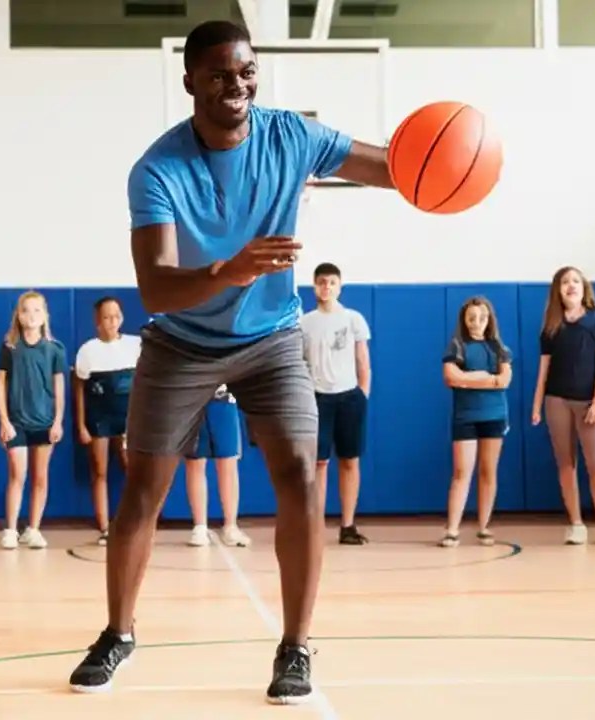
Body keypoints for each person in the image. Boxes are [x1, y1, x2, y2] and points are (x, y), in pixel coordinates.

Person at [66, 19, 396, 704]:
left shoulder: (290, 135)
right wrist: (231, 269)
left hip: (272, 340)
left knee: (301, 478)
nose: (236, 84)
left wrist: (447, 167)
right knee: (142, 493)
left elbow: (390, 166)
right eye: (219, 74)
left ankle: (297, 647)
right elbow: (155, 286)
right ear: (190, 81)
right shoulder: (157, 170)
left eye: (245, 71)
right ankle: (118, 633)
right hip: (180, 340)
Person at [530, 266, 595, 546]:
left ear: (584, 287)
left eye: (575, 281)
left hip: (587, 403)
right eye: (564, 282)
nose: (570, 285)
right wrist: (537, 405)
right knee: (566, 463)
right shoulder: (550, 328)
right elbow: (543, 370)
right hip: (556, 401)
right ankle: (575, 523)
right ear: (557, 290)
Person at [300, 262, 371, 545]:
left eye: (331, 282)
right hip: (317, 398)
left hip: (349, 397)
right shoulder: (304, 322)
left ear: (339, 286)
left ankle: (348, 525)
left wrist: (362, 392)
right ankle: (315, 524)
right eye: (321, 282)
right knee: (319, 463)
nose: (326, 287)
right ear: (314, 286)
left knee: (350, 461)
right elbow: (299, 361)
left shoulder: (352, 319)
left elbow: (363, 359)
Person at [0, 291, 66, 550]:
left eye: (37, 310)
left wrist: (58, 421)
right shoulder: (10, 347)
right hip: (17, 422)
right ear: (18, 314)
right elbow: (0, 385)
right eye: (26, 310)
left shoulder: (55, 349)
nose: (31, 315)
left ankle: (33, 528)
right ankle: (11, 529)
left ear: (45, 315)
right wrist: (4, 420)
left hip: (45, 422)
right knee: (17, 474)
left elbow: (59, 388)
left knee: (40, 477)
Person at [440, 296, 510, 547]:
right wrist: (485, 378)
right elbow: (451, 377)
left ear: (489, 319)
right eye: (471, 318)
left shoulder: (498, 347)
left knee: (488, 471)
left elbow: (504, 380)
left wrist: (470, 378)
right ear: (464, 320)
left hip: (495, 415)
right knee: (462, 472)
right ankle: (452, 529)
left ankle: (483, 527)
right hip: (466, 417)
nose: (476, 322)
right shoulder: (457, 346)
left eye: (481, 318)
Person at [73, 297, 140, 546]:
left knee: (131, 471)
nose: (112, 321)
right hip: (99, 419)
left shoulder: (136, 345)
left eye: (116, 316)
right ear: (97, 321)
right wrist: (81, 425)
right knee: (99, 471)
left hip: (128, 419)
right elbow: (78, 389)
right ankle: (104, 528)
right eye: (106, 317)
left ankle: (133, 525)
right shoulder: (88, 350)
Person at [183, 385, 252, 547]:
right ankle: (199, 526)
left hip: (224, 398)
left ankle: (230, 526)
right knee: (195, 461)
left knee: (228, 460)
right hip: (192, 399)